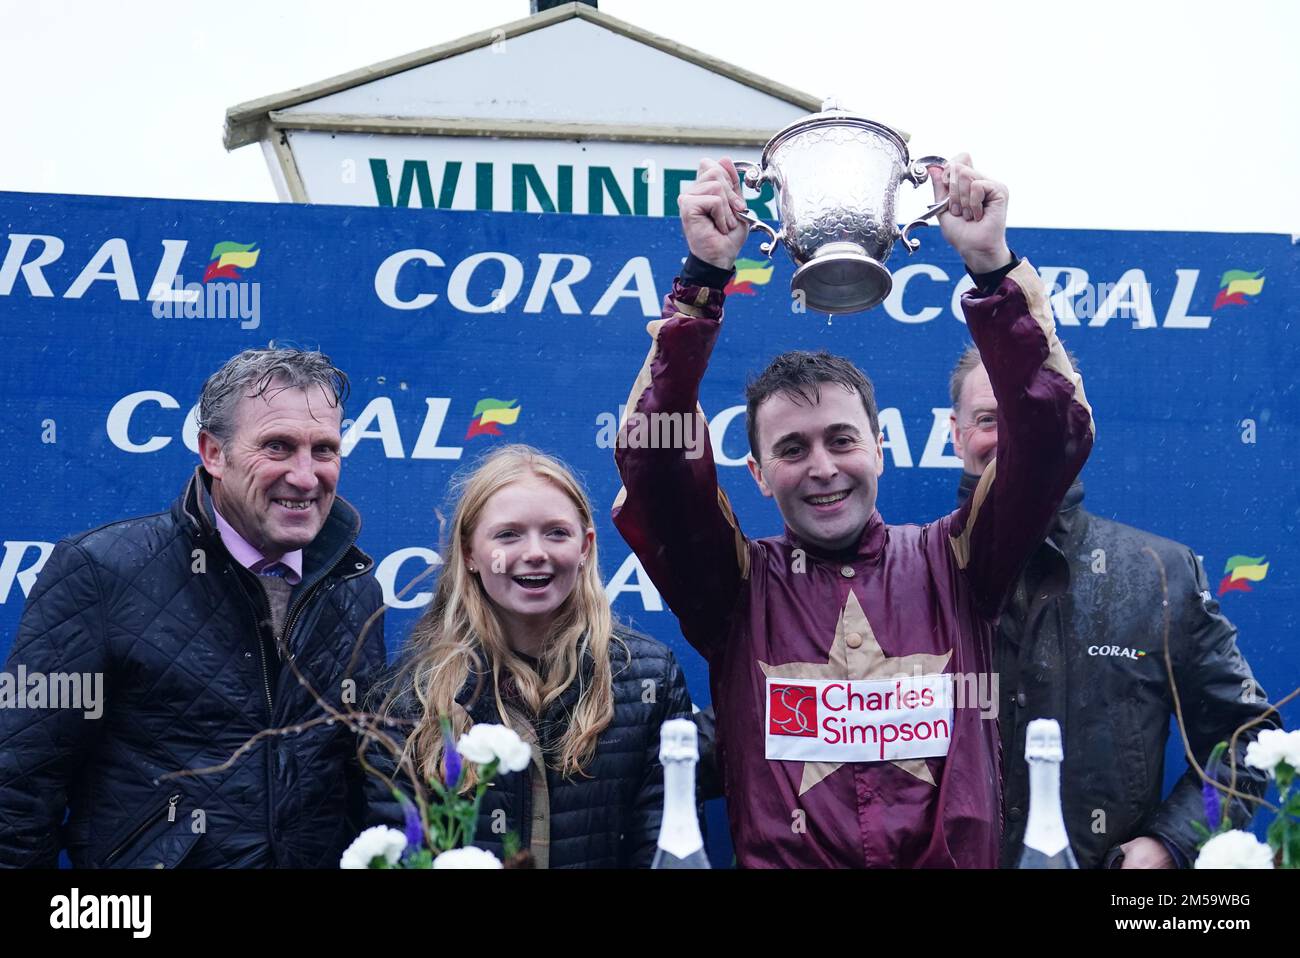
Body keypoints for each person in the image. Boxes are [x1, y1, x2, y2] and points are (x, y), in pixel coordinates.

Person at [612, 154, 1095, 868]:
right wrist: (704, 280)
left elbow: (1054, 433)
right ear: (759, 475)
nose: (823, 468)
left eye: (842, 440)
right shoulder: (733, 588)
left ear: (881, 447)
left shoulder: (960, 562)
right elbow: (654, 463)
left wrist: (992, 269)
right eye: (793, 449)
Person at [0, 348, 386, 868]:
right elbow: (18, 786)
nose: (304, 475)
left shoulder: (354, 586)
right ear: (213, 453)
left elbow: (366, 783)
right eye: (277, 446)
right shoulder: (99, 572)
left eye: (324, 450)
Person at [948, 347, 1279, 868]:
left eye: (1030, 416)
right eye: (990, 419)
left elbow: (1248, 740)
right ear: (957, 433)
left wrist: (1170, 844)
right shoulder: (913, 574)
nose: (1012, 437)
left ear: (1069, 426)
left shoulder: (1158, 573)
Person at [371, 444, 693, 868]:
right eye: (508, 534)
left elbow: (665, 849)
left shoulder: (648, 678)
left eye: (557, 532)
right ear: (469, 552)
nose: (536, 552)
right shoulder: (408, 698)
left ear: (585, 547)